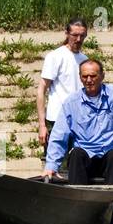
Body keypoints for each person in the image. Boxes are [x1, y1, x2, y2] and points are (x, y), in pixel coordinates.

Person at [42, 59, 113, 185]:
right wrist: (51, 166)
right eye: (84, 76)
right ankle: (78, 201)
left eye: (93, 76)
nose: (88, 80)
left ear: (102, 76)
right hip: (86, 159)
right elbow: (59, 135)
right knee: (76, 153)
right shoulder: (71, 102)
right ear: (80, 78)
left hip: (112, 159)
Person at [36, 18, 89, 149]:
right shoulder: (55, 56)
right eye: (75, 35)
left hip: (79, 121)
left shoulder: (85, 60)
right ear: (67, 33)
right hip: (57, 120)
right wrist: (42, 125)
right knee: (55, 166)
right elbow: (42, 89)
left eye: (82, 35)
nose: (78, 39)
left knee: (78, 166)